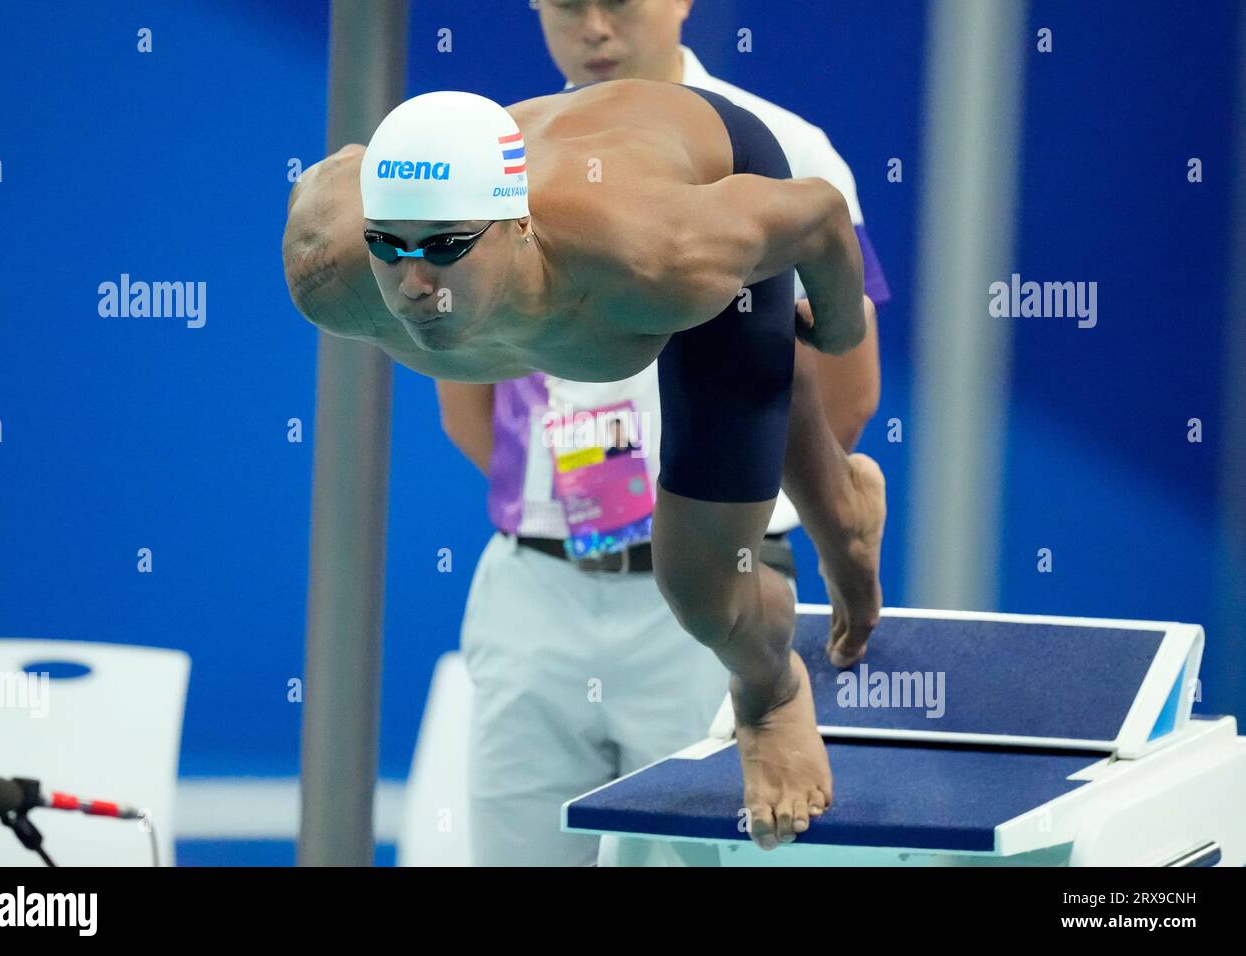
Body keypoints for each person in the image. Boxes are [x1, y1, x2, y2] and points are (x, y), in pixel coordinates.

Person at [282, 43, 888, 852]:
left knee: (702, 591)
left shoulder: (656, 253)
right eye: (391, 245)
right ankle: (842, 507)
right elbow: (342, 175)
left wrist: (835, 325)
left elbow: (815, 213)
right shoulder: (330, 273)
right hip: (578, 215)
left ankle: (771, 693)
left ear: (518, 222)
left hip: (700, 178)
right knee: (777, 435)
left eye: (447, 247)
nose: (415, 284)